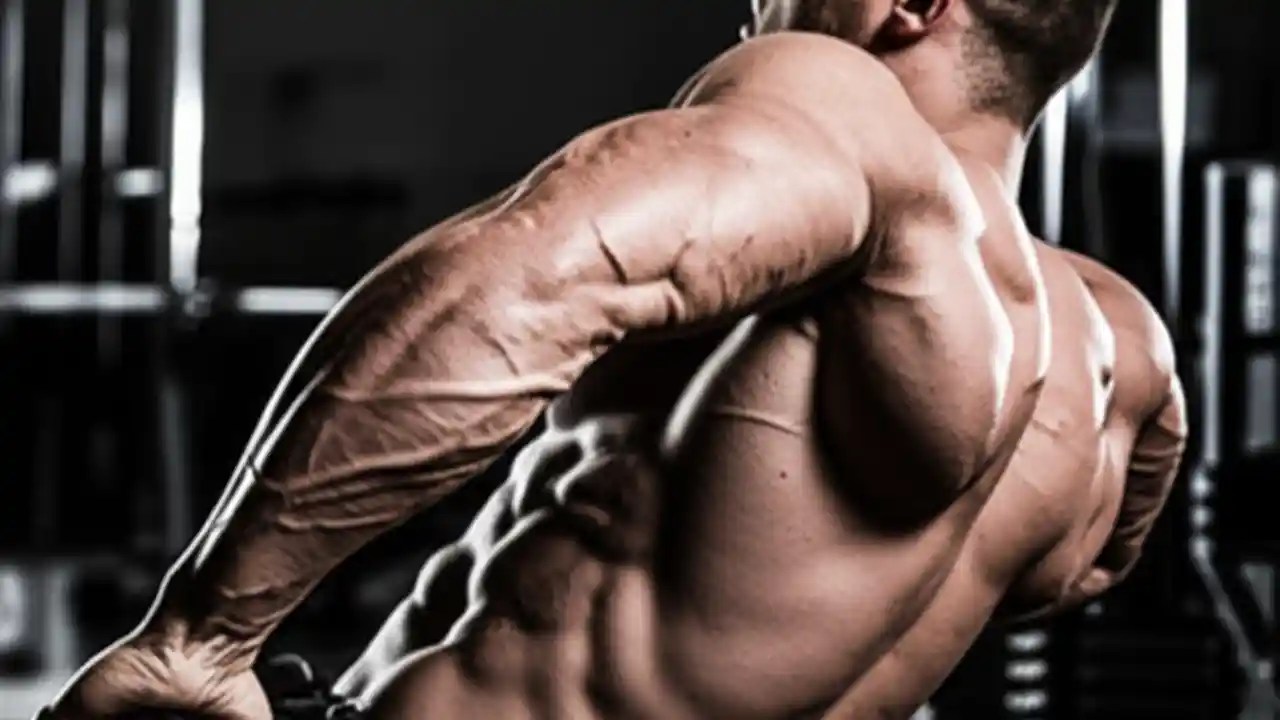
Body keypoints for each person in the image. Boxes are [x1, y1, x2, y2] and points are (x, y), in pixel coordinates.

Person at [42, 0, 1188, 718]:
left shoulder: (851, 130)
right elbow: (1058, 582)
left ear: (910, 5)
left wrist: (202, 635)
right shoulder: (1119, 365)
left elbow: (523, 285)